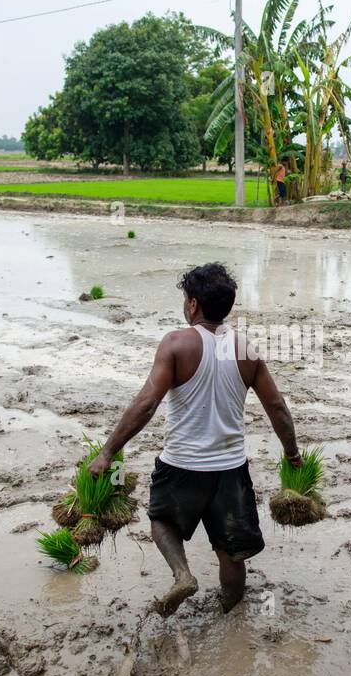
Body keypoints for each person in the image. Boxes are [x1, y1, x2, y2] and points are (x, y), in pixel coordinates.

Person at [87, 263, 302, 616]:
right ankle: (230, 613)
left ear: (192, 304)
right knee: (231, 551)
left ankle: (183, 575)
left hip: (182, 465)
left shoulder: (177, 343)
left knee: (161, 520)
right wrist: (292, 454)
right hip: (230, 470)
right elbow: (276, 406)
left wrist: (108, 451)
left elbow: (146, 404)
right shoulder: (246, 349)